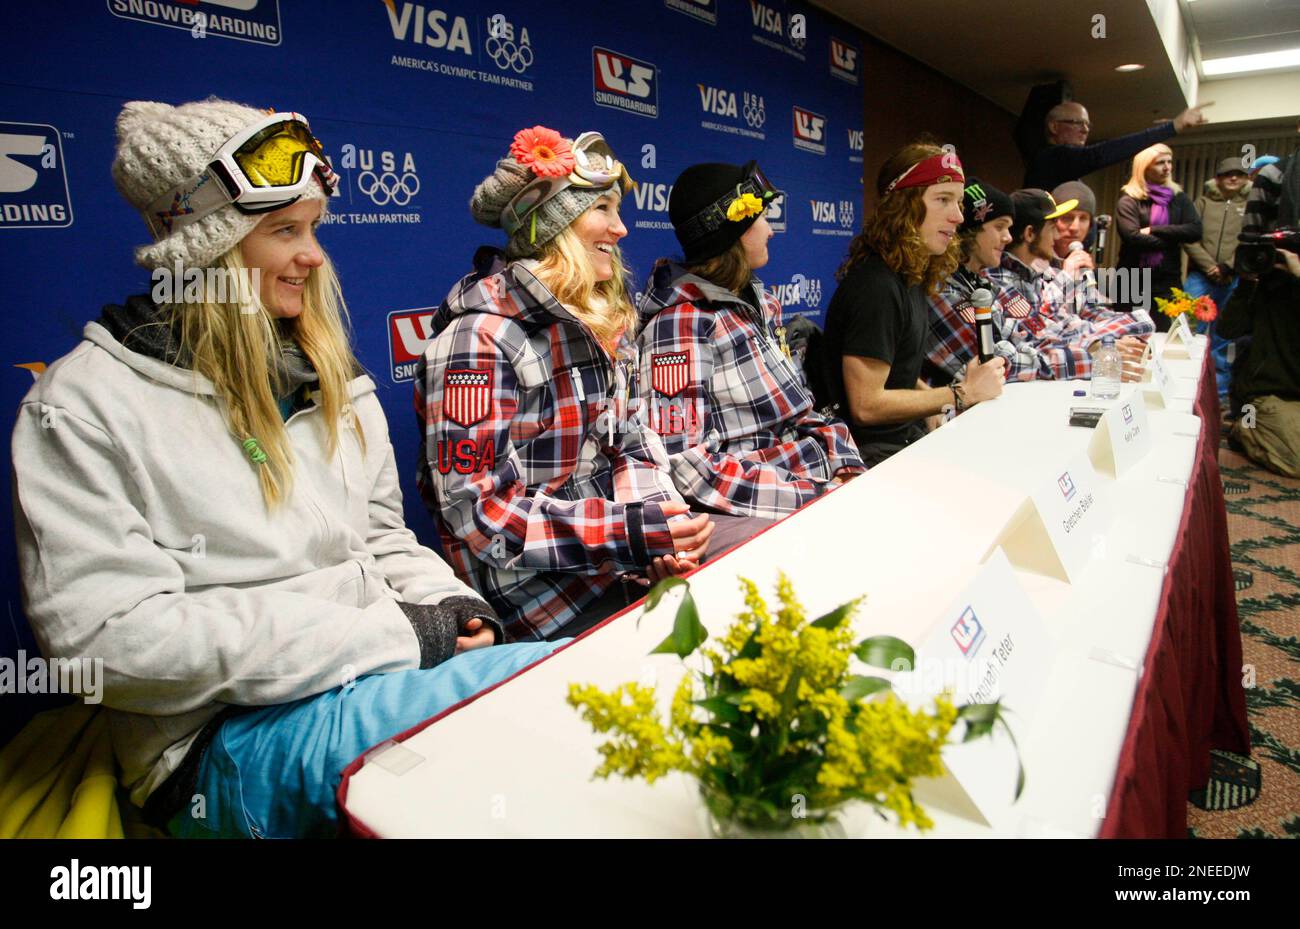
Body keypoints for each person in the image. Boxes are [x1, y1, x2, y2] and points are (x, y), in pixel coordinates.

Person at [9, 99, 559, 840]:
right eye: (284, 231)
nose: (315, 256)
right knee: (539, 709)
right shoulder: (82, 405)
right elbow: (105, 642)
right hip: (213, 742)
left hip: (378, 674)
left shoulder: (334, 376)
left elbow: (383, 541)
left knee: (555, 692)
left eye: (314, 228)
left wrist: (457, 607)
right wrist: (396, 636)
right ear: (205, 249)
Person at [416, 126, 714, 643]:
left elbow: (632, 446)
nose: (621, 230)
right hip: (537, 612)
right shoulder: (479, 340)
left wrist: (664, 540)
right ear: (551, 225)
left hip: (617, 573)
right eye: (603, 209)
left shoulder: (598, 320)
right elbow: (477, 514)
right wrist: (631, 534)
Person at [634, 161, 865, 513]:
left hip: (817, 484)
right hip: (772, 508)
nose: (771, 230)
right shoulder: (679, 327)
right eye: (761, 218)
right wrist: (818, 497)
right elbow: (688, 467)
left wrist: (847, 467)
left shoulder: (756, 302)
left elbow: (804, 415)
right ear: (733, 232)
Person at [821, 142, 1005, 466]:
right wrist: (960, 394)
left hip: (902, 440)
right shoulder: (876, 286)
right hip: (869, 457)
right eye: (943, 199)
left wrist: (930, 403)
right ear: (904, 206)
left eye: (959, 202)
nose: (958, 215)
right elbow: (866, 405)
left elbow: (896, 376)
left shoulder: (909, 276)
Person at [928, 180, 1148, 385]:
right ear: (970, 232)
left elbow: (1035, 336)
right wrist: (1091, 355)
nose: (1008, 237)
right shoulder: (947, 289)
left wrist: (1097, 345)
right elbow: (998, 366)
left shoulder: (982, 282)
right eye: (999, 227)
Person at [988, 188, 1153, 379]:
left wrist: (1102, 341)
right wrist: (1094, 346)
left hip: (1055, 369)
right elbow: (1035, 337)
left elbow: (1066, 322)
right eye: (1054, 226)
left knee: (1141, 323)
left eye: (1083, 219)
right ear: (1030, 233)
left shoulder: (1036, 272)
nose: (1060, 234)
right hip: (1024, 385)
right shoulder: (1000, 279)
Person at [1220, 241, 1300, 476]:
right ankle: (1246, 428)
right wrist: (1245, 283)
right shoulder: (1262, 290)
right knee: (1296, 461)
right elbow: (1227, 330)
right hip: (1266, 396)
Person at [1023, 99, 1211, 190]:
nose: (1085, 130)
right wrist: (1172, 127)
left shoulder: (1067, 168)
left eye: (1088, 125)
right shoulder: (1052, 158)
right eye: (1077, 123)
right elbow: (1101, 154)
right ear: (1054, 127)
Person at [1184, 157, 1252, 404]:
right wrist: (1210, 266)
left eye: (1238, 174)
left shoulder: (1250, 205)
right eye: (1227, 174)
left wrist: (1228, 266)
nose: (1233, 178)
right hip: (1200, 278)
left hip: (1233, 279)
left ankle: (1217, 397)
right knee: (1189, 331)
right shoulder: (1201, 203)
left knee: (1223, 339)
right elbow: (1189, 237)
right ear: (1218, 178)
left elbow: (1250, 239)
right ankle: (1186, 388)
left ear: (1245, 179)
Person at [1115, 143, 1202, 331]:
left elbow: (1195, 231)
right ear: (1144, 167)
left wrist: (1155, 229)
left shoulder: (1178, 198)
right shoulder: (1129, 200)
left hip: (1167, 279)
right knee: (1130, 337)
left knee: (1164, 333)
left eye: (1169, 162)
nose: (1167, 167)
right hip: (1131, 279)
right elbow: (1133, 238)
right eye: (1160, 163)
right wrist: (1174, 239)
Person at [1051, 179, 1097, 271]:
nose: (1075, 228)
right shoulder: (1034, 265)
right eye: (1067, 218)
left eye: (1083, 218)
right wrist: (1066, 277)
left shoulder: (1086, 266)